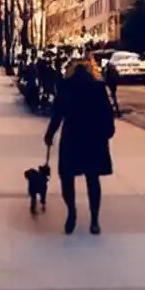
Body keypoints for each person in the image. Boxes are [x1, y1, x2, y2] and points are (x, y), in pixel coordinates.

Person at [44, 60, 116, 235]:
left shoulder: (66, 86)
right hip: (94, 138)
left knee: (67, 177)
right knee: (93, 179)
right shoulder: (98, 87)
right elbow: (108, 113)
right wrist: (107, 133)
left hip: (72, 137)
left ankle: (71, 213)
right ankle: (94, 220)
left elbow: (57, 113)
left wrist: (50, 134)